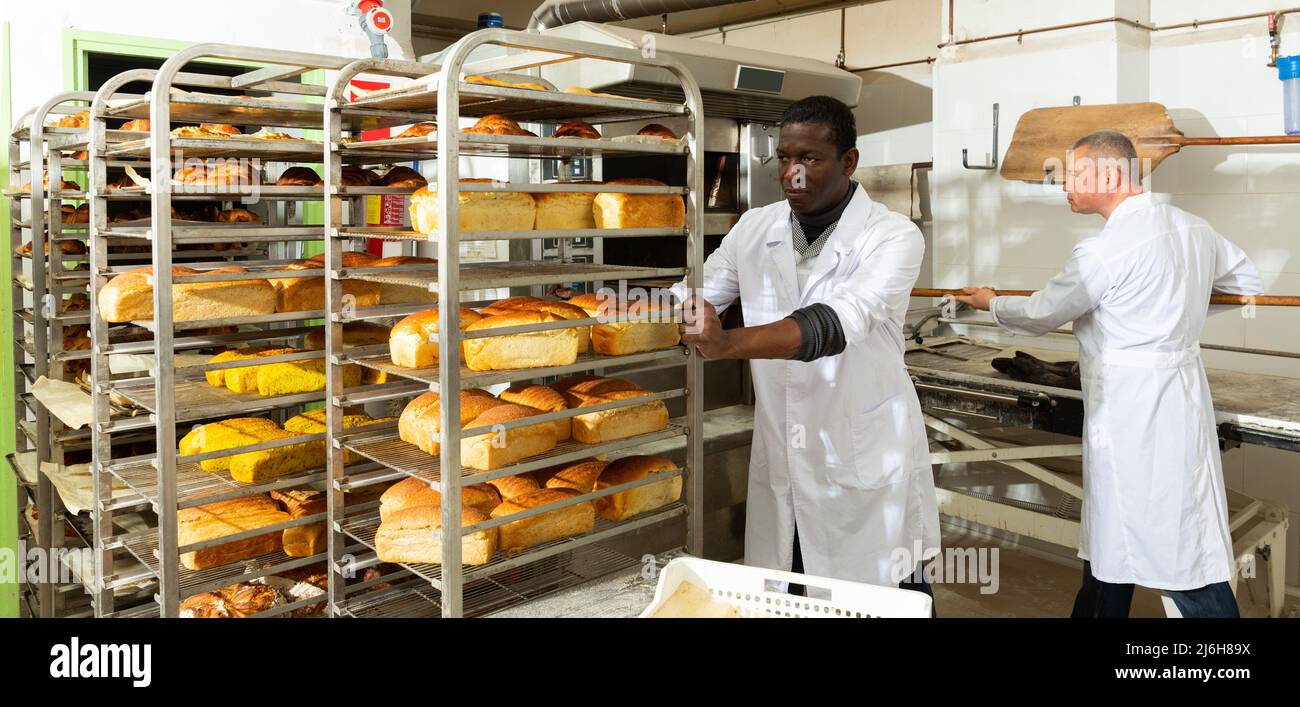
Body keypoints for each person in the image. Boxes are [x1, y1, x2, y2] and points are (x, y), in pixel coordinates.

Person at [953, 130, 1263, 618]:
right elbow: (1246, 283)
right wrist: (1174, 313)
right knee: (1144, 533)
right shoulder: (1193, 229)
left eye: (1074, 174)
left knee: (1167, 545)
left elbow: (1040, 314)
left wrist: (990, 302)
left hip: (1131, 406)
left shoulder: (1103, 252)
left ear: (1112, 175)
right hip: (1178, 393)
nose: (1064, 185)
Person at [673, 95, 940, 602]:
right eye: (785, 158)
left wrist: (727, 342)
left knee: (884, 595)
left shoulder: (892, 236)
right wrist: (651, 307)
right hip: (784, 452)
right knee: (790, 590)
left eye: (810, 160)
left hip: (862, 453)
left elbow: (838, 322)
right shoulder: (756, 227)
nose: (793, 174)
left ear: (849, 162)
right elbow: (699, 293)